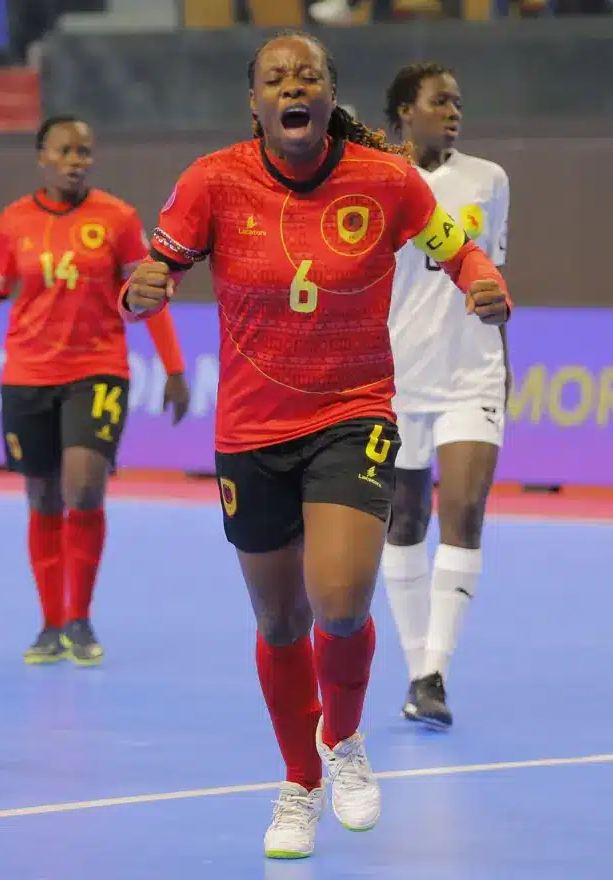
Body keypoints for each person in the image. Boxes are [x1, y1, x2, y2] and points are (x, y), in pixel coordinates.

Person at [120, 31, 512, 860]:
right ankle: (298, 782)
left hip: (353, 411)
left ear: (330, 96)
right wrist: (142, 286)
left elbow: (453, 246)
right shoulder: (213, 180)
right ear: (254, 102)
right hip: (252, 430)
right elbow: (159, 265)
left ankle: (345, 742)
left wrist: (480, 275)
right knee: (280, 617)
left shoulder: (384, 178)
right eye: (275, 77)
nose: (292, 86)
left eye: (309, 75)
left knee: (338, 600)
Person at [0, 115, 191, 667]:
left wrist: (175, 369)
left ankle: (80, 619)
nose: (76, 160)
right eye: (64, 150)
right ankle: (49, 622)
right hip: (27, 376)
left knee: (83, 488)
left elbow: (148, 296)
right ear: (42, 156)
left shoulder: (118, 219)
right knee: (42, 497)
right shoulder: (12, 222)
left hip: (97, 370)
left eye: (84, 151)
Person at [380, 62, 511, 732]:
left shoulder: (488, 180)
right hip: (398, 378)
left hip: (472, 375)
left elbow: (492, 276)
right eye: (439, 101)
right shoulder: (378, 180)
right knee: (404, 524)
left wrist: (503, 361)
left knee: (464, 512)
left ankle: (434, 675)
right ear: (406, 110)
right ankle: (411, 666)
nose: (453, 112)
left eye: (459, 102)